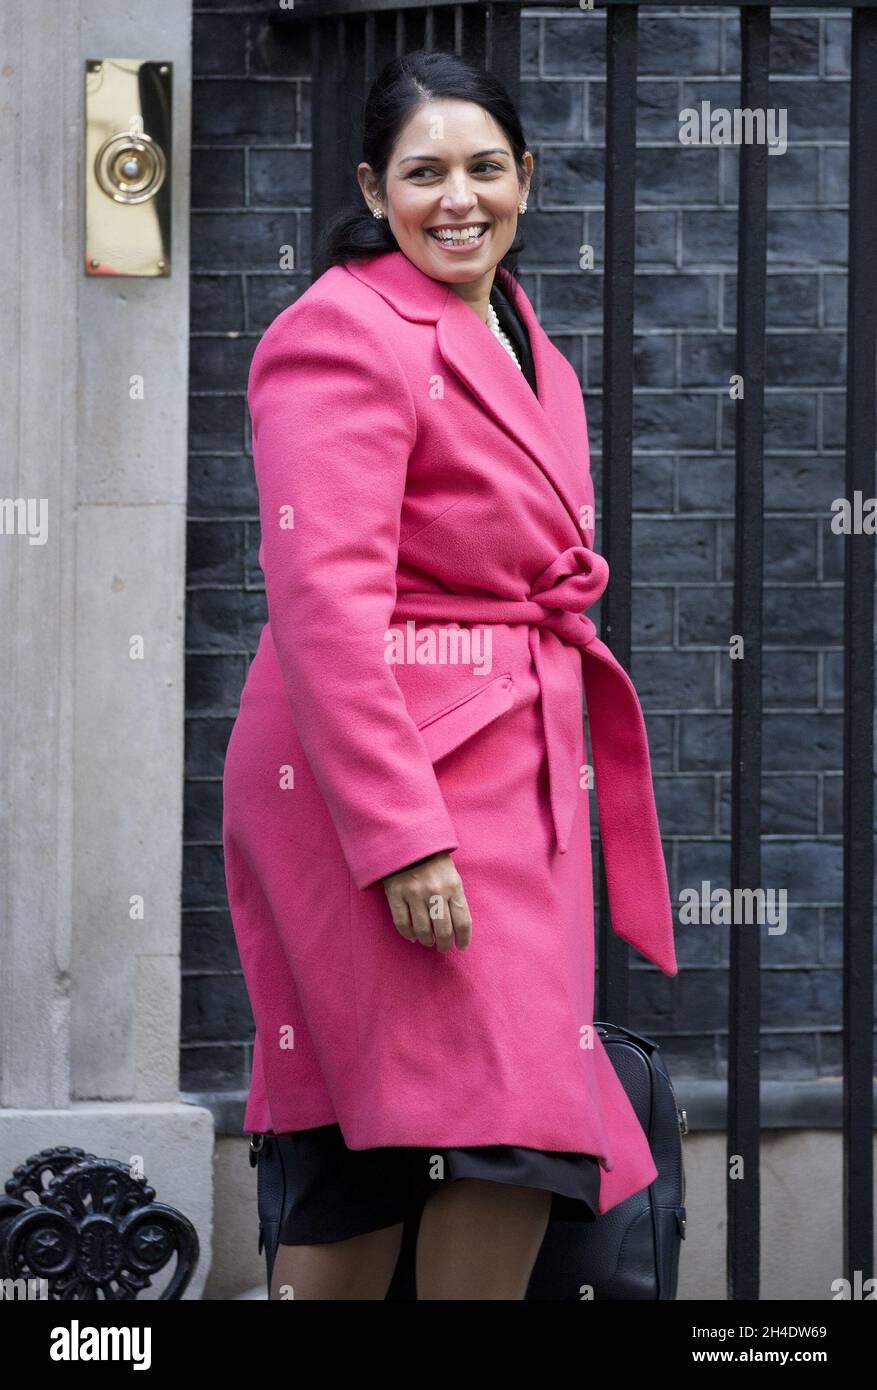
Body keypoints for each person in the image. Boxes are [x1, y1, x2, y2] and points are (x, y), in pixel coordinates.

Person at [222, 48, 677, 1302]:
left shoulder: (524, 333)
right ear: (375, 189)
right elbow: (324, 609)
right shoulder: (340, 330)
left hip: (508, 763)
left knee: (513, 1130)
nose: (457, 198)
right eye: (423, 174)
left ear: (525, 177)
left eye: (484, 168)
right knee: (387, 1138)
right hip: (383, 781)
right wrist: (400, 836)